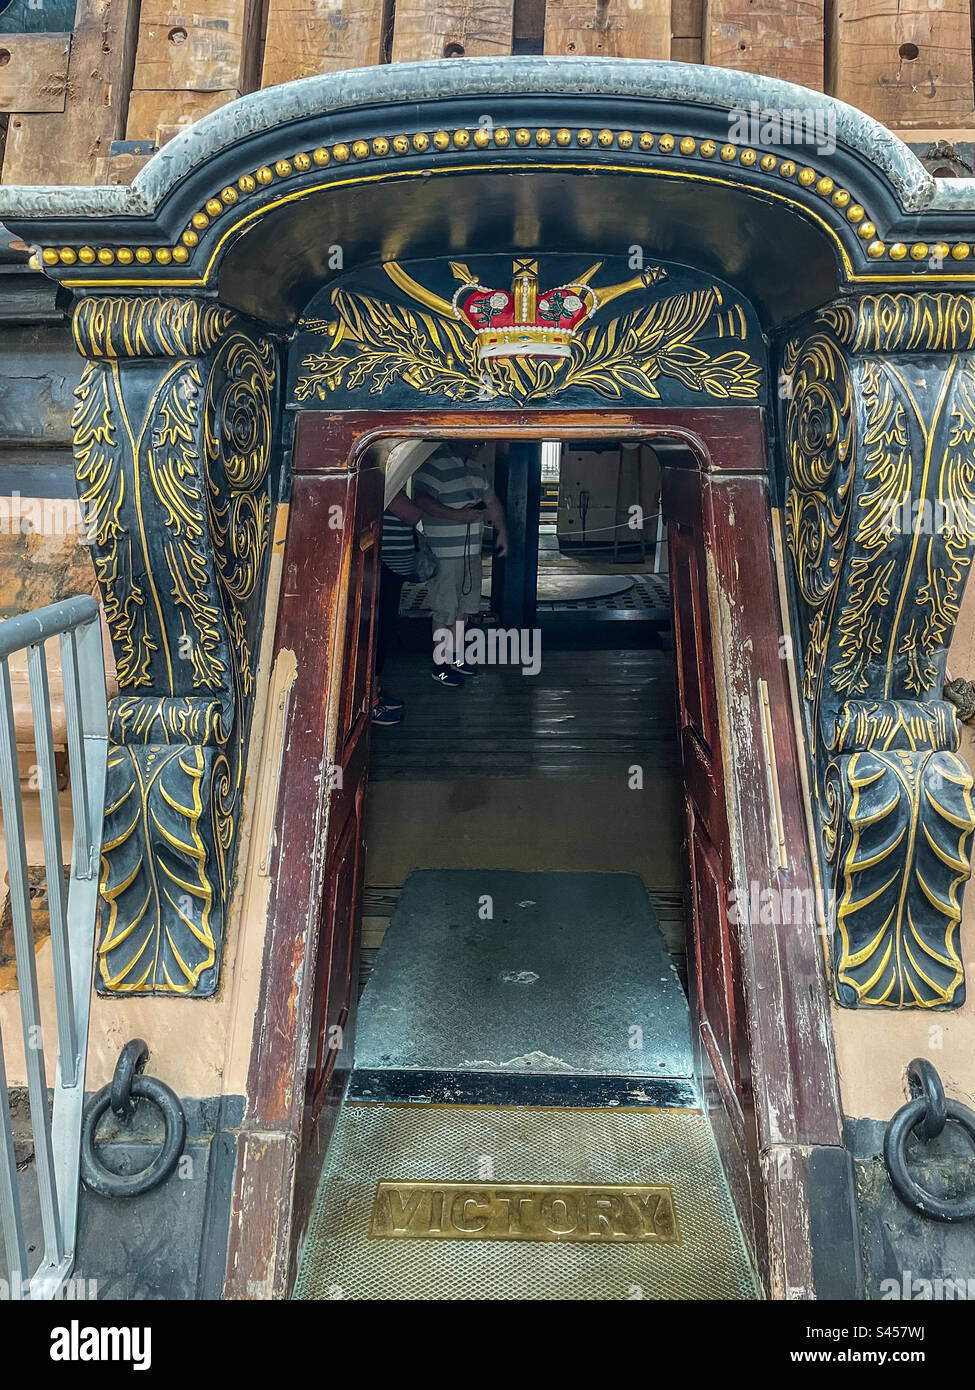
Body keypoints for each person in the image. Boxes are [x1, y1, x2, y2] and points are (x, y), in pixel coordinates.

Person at [372, 485, 485, 724]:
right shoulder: (385, 485)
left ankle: (375, 694)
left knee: (384, 631)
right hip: (381, 567)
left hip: (389, 569)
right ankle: (371, 702)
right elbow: (412, 513)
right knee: (377, 635)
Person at [412, 442, 510, 687]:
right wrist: (456, 516)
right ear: (455, 439)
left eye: (480, 442)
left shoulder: (476, 468)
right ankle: (441, 666)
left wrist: (502, 532)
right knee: (444, 610)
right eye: (474, 442)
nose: (478, 446)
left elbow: (492, 502)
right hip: (444, 553)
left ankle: (455, 658)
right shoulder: (433, 464)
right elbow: (421, 499)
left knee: (463, 610)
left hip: (471, 552)